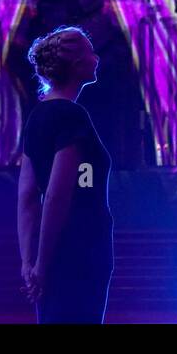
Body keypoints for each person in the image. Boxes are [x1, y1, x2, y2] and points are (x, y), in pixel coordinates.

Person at [17, 26, 114, 323]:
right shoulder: (73, 116)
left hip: (53, 249)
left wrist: (28, 261)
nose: (97, 58)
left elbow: (27, 196)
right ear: (76, 65)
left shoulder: (37, 116)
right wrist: (42, 265)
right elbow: (58, 195)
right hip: (81, 246)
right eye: (90, 52)